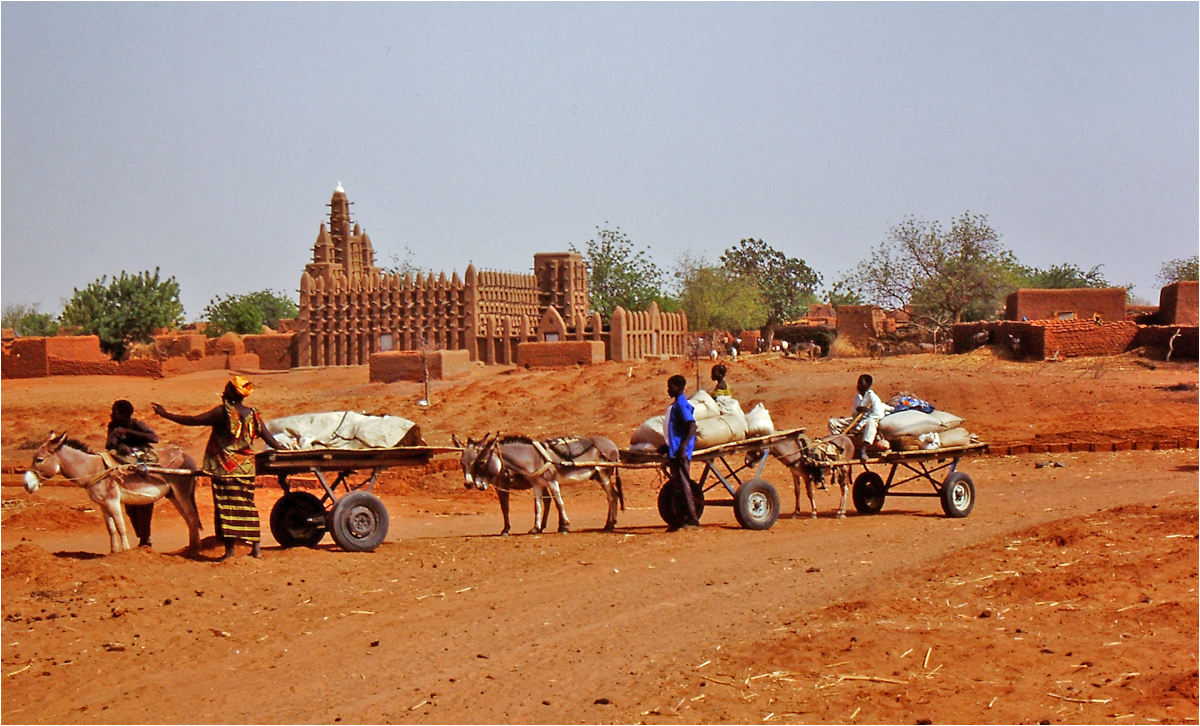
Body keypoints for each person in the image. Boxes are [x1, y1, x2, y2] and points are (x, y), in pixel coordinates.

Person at [153, 376, 285, 560]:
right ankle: (256, 549)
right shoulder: (253, 414)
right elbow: (269, 438)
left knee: (226, 508)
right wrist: (283, 449)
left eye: (226, 389)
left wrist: (165, 414)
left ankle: (230, 551)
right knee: (247, 506)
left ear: (231, 392)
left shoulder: (223, 412)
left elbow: (194, 420)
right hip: (246, 468)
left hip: (225, 468)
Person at [107, 400, 160, 548]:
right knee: (130, 508)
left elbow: (153, 438)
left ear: (124, 415)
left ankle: (145, 539)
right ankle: (142, 537)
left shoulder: (137, 425)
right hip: (125, 466)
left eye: (115, 412)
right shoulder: (113, 426)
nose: (112, 415)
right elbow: (109, 444)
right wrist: (120, 445)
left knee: (144, 505)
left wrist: (128, 433)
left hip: (143, 463)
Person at [664, 374, 701, 531]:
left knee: (684, 484)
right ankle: (680, 519)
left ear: (678, 387)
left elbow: (692, 426)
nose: (668, 389)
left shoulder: (681, 405)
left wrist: (682, 447)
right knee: (678, 485)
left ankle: (692, 519)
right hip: (675, 451)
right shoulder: (676, 405)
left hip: (681, 453)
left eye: (670, 386)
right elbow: (676, 431)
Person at [828, 374, 893, 459]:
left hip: (868, 422)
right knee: (833, 422)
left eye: (861, 383)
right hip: (857, 421)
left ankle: (864, 449)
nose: (858, 385)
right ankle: (837, 444)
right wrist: (858, 410)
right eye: (858, 383)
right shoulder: (857, 397)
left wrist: (863, 422)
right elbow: (854, 413)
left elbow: (878, 414)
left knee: (871, 423)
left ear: (868, 385)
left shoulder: (873, 397)